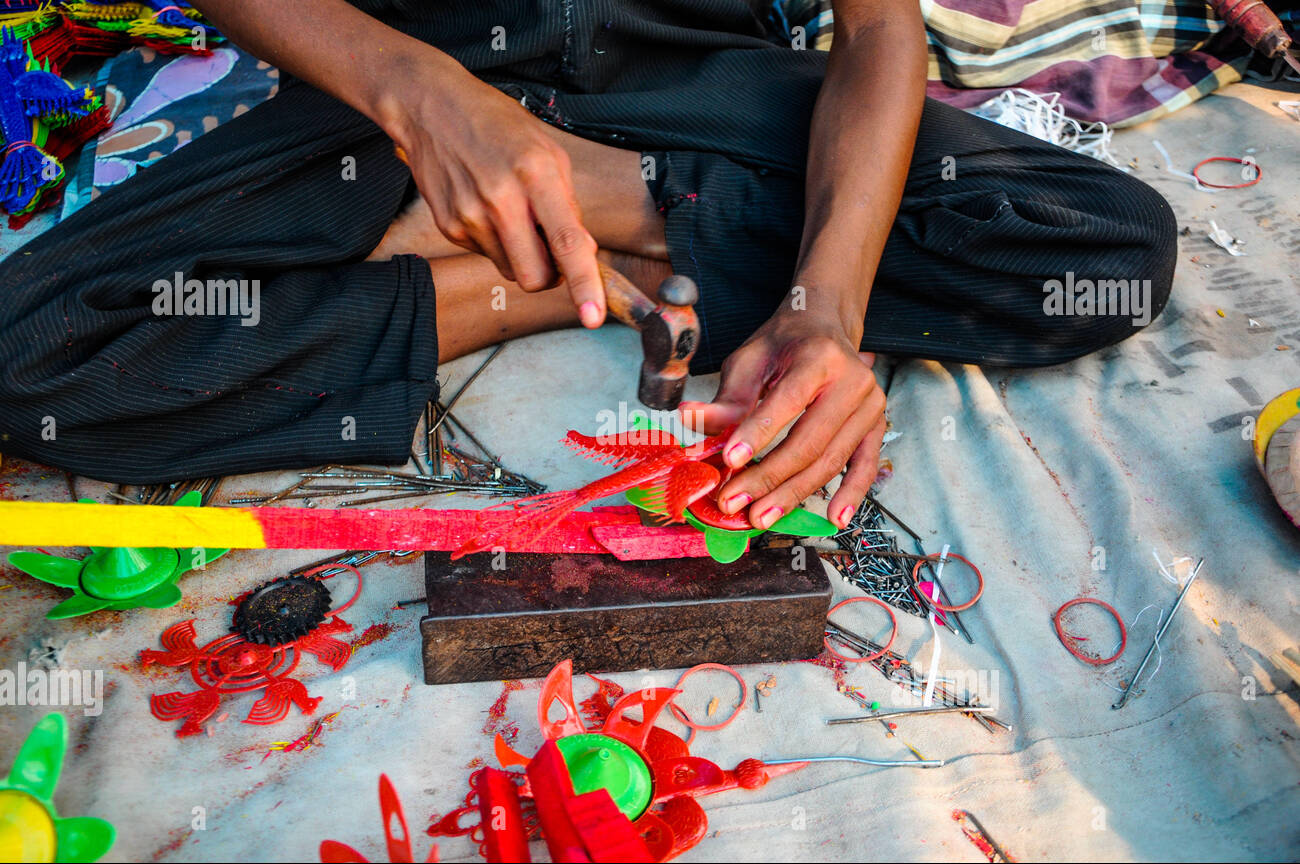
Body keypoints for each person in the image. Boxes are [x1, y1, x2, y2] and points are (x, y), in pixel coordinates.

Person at [0, 0, 1176, 530]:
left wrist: (828, 305)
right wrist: (423, 100)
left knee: (1101, 249)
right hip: (406, 70)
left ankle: (582, 212)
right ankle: (534, 264)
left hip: (691, 76)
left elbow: (876, 30)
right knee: (38, 364)